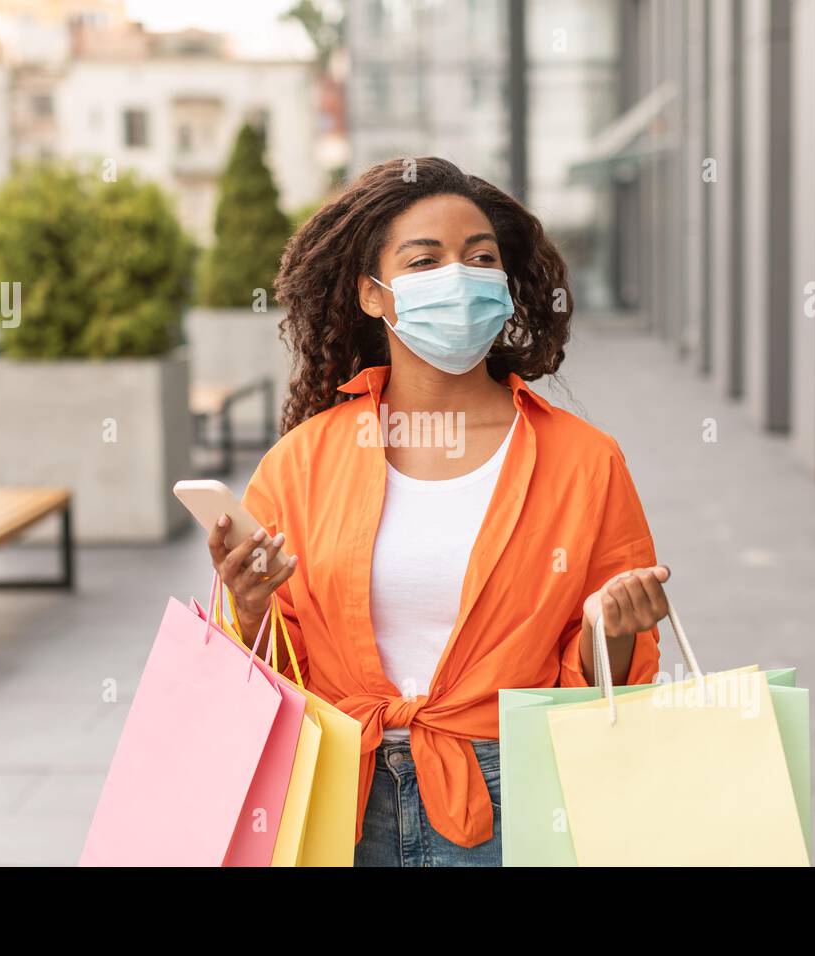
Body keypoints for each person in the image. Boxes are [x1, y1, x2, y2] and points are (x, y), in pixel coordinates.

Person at [207, 157, 671, 867]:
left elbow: (611, 685)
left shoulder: (586, 461)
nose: (458, 276)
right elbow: (269, 665)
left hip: (513, 801)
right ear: (373, 295)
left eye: (479, 258)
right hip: (336, 799)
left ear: (505, 286)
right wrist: (245, 608)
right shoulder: (302, 462)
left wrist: (609, 627)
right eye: (425, 261)